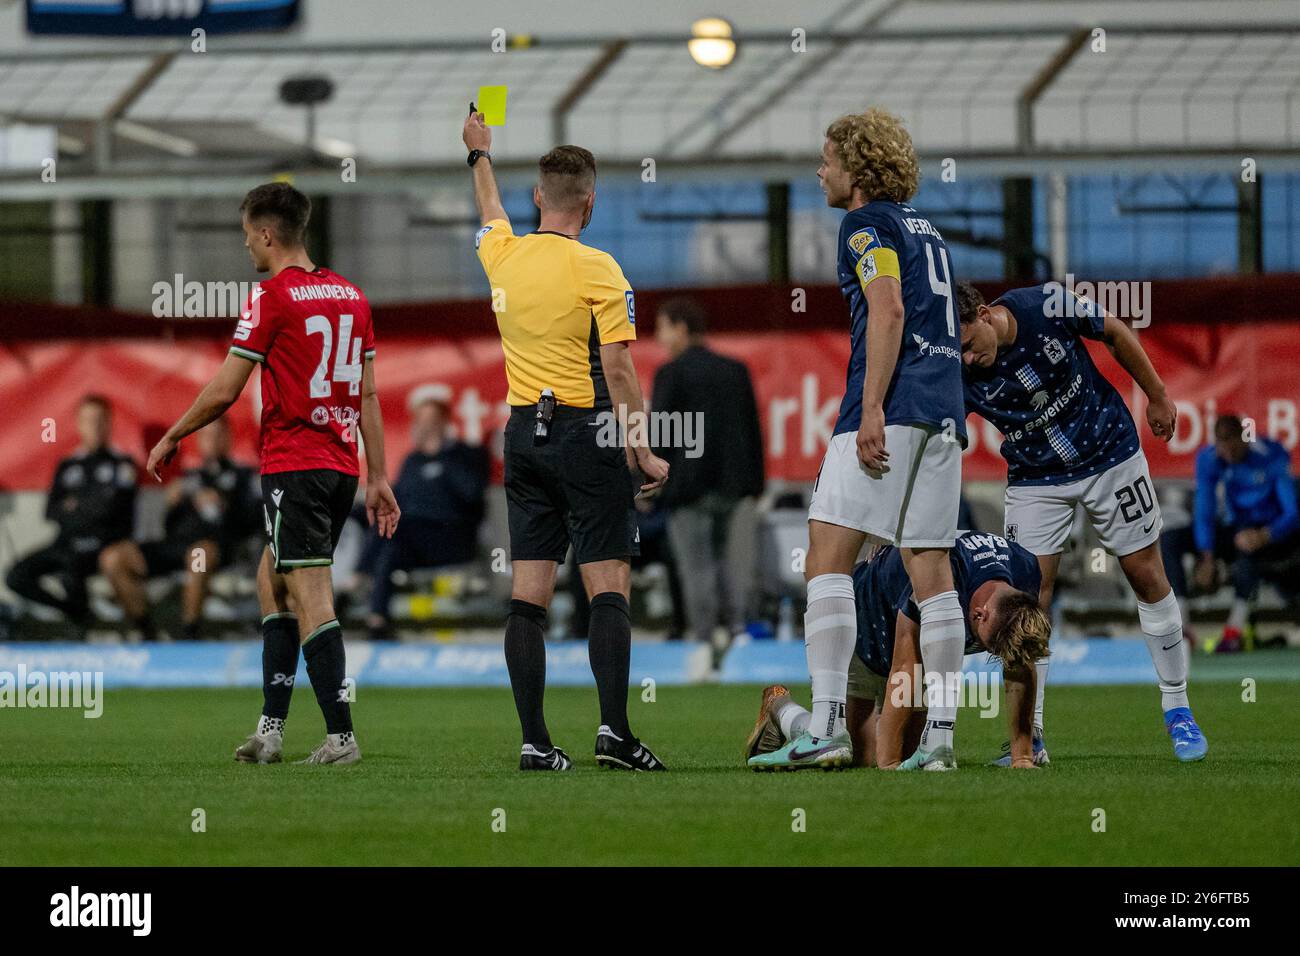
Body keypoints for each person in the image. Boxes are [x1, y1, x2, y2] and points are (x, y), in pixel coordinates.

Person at [146, 182, 400, 766]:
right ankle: (271, 729)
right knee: (271, 579)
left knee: (310, 596)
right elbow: (367, 397)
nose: (247, 249)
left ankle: (341, 737)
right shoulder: (351, 296)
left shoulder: (272, 298)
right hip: (338, 467)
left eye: (247, 237)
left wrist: (173, 433)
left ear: (265, 233)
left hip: (295, 464)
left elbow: (226, 388)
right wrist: (377, 476)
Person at [759, 108, 967, 772]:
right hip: (943, 415)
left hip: (892, 407)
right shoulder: (928, 231)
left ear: (858, 167)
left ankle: (823, 728)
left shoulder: (864, 223)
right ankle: (938, 743)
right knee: (932, 576)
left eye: (827, 158)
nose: (819, 170)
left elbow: (889, 305)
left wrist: (872, 406)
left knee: (825, 554)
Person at [464, 104, 670, 772]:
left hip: (523, 434)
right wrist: (638, 446)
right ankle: (613, 732)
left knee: (528, 593)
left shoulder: (505, 256)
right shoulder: (599, 268)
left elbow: (489, 213)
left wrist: (479, 152)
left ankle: (534, 741)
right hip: (585, 432)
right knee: (607, 585)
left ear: (537, 199)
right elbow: (617, 368)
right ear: (591, 201)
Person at [957, 281, 1208, 762]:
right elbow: (946, 425)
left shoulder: (1048, 304)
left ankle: (1178, 709)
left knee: (1145, 574)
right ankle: (1033, 738)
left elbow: (1113, 331)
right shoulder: (958, 369)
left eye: (969, 345)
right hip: (1035, 478)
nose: (967, 360)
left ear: (986, 315)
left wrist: (1156, 395)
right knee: (1027, 600)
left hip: (1110, 453)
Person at [747, 531, 1050, 770]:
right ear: (979, 614)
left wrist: (1021, 756)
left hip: (910, 635)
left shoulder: (1024, 569)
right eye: (988, 646)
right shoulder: (947, 574)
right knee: (851, 752)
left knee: (910, 750)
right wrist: (888, 764)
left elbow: (1020, 664)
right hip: (866, 622)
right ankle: (780, 708)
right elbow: (907, 666)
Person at [652, 297, 764, 649]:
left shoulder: (671, 373)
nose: (660, 338)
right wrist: (755, 482)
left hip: (687, 487)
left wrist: (652, 483)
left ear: (681, 328)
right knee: (730, 563)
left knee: (696, 566)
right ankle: (736, 631)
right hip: (734, 485)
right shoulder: (735, 370)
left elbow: (661, 434)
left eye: (663, 328)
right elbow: (753, 428)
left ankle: (703, 641)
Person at [108, 417, 259, 640]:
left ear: (228, 438)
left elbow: (253, 521)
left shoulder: (243, 477)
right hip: (176, 546)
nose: (212, 440)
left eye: (218, 434)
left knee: (199, 554)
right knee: (113, 558)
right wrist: (170, 504)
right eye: (206, 435)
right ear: (198, 439)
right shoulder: (186, 478)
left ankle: (190, 632)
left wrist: (225, 504)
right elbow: (167, 526)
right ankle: (146, 631)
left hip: (218, 550)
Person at [6, 394, 143, 637]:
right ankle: (72, 612)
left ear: (110, 423)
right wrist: (90, 505)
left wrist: (75, 506)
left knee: (72, 567)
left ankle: (86, 632)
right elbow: (51, 511)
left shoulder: (122, 464)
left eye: (100, 420)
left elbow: (110, 511)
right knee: (16, 576)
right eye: (88, 420)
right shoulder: (68, 465)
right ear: (78, 424)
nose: (95, 427)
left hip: (103, 545)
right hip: (65, 542)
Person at [360, 384, 489, 640]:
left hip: (452, 538)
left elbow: (472, 495)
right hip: (413, 539)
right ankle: (378, 621)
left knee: (397, 528)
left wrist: (440, 455)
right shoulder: (412, 461)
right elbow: (396, 500)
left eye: (430, 421)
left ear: (444, 421)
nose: (424, 427)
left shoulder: (467, 454)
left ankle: (357, 576)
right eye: (420, 421)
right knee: (389, 540)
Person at [1162, 415, 1299, 652]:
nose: (1228, 452)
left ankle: (1234, 631)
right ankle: (1182, 627)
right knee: (1170, 539)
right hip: (1236, 529)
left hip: (1273, 532)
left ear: (1244, 439)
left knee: (1245, 544)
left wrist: (1265, 535)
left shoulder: (1272, 455)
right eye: (1222, 446)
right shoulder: (1210, 459)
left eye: (1233, 445)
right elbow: (1205, 507)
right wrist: (1206, 555)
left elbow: (1292, 513)